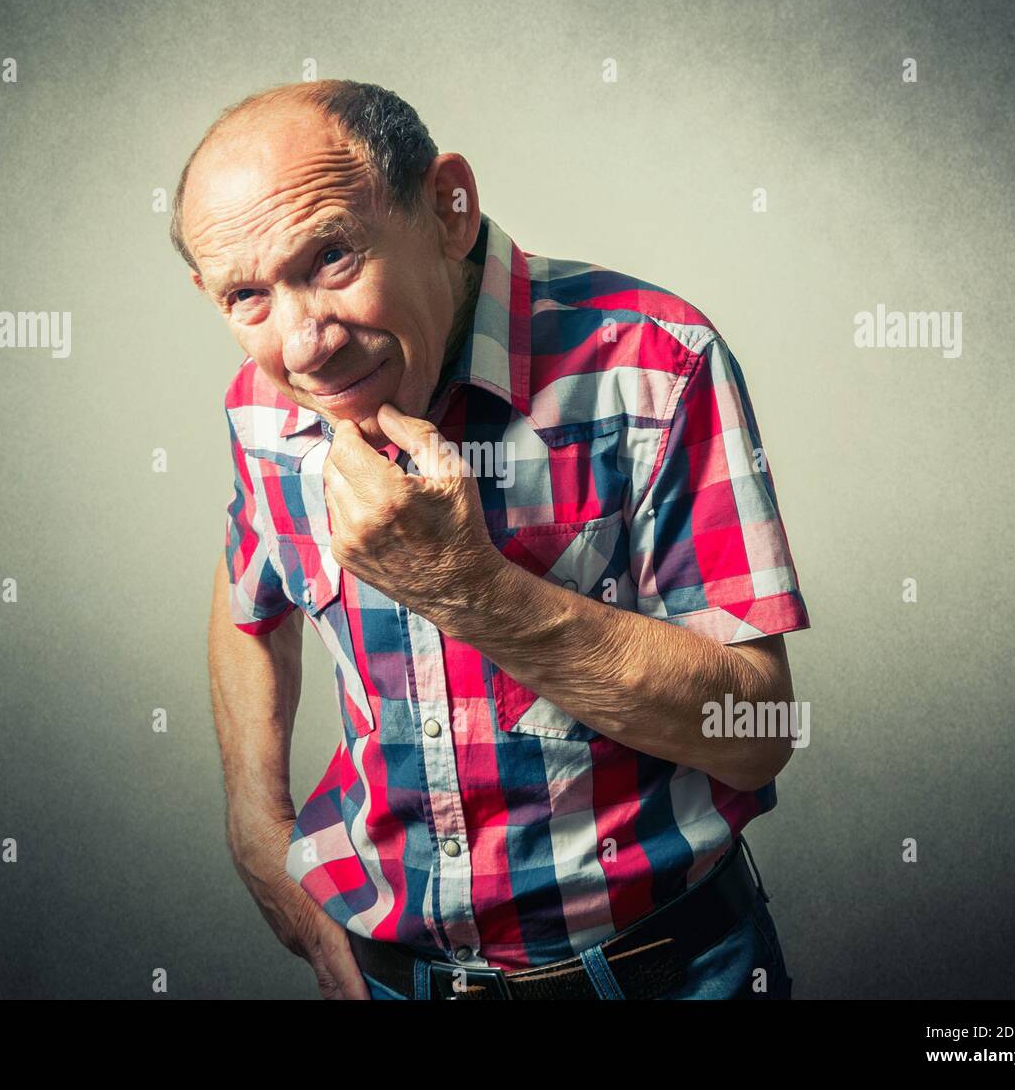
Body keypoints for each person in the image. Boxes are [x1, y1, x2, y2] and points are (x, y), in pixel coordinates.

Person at [175, 79, 809, 1000]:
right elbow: (247, 602)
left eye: (332, 258)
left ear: (447, 208)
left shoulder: (653, 364)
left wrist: (465, 586)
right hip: (397, 984)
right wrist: (254, 827)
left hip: (664, 975)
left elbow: (754, 730)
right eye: (247, 295)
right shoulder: (262, 407)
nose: (305, 344)